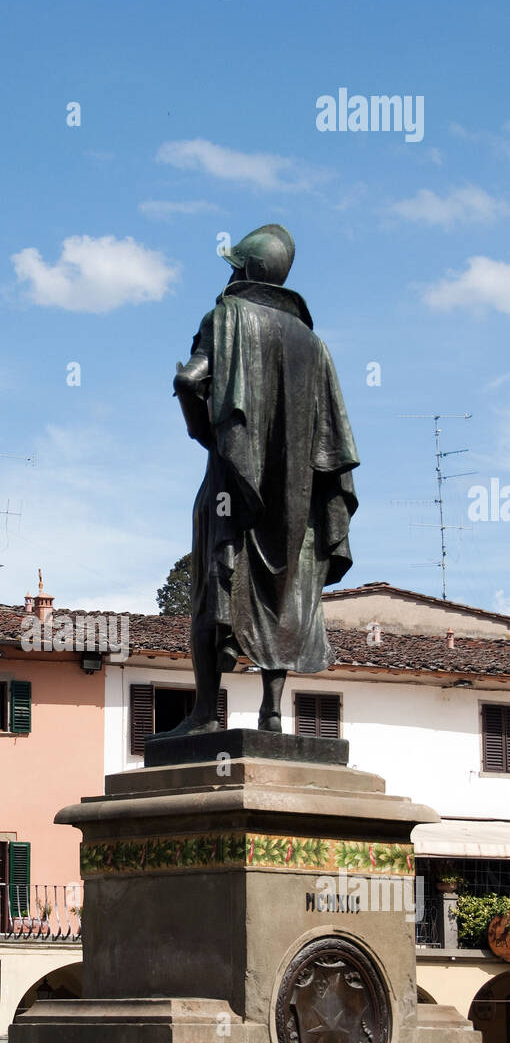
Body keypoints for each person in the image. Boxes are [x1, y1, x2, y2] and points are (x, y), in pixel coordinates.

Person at [170, 224, 359, 733]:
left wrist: (208, 434)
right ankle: (272, 713)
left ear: (248, 271)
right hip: (298, 501)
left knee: (216, 587)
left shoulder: (226, 319)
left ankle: (207, 715)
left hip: (233, 487)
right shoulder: (313, 345)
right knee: (285, 593)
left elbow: (189, 380)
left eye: (235, 265)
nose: (230, 273)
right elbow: (334, 445)